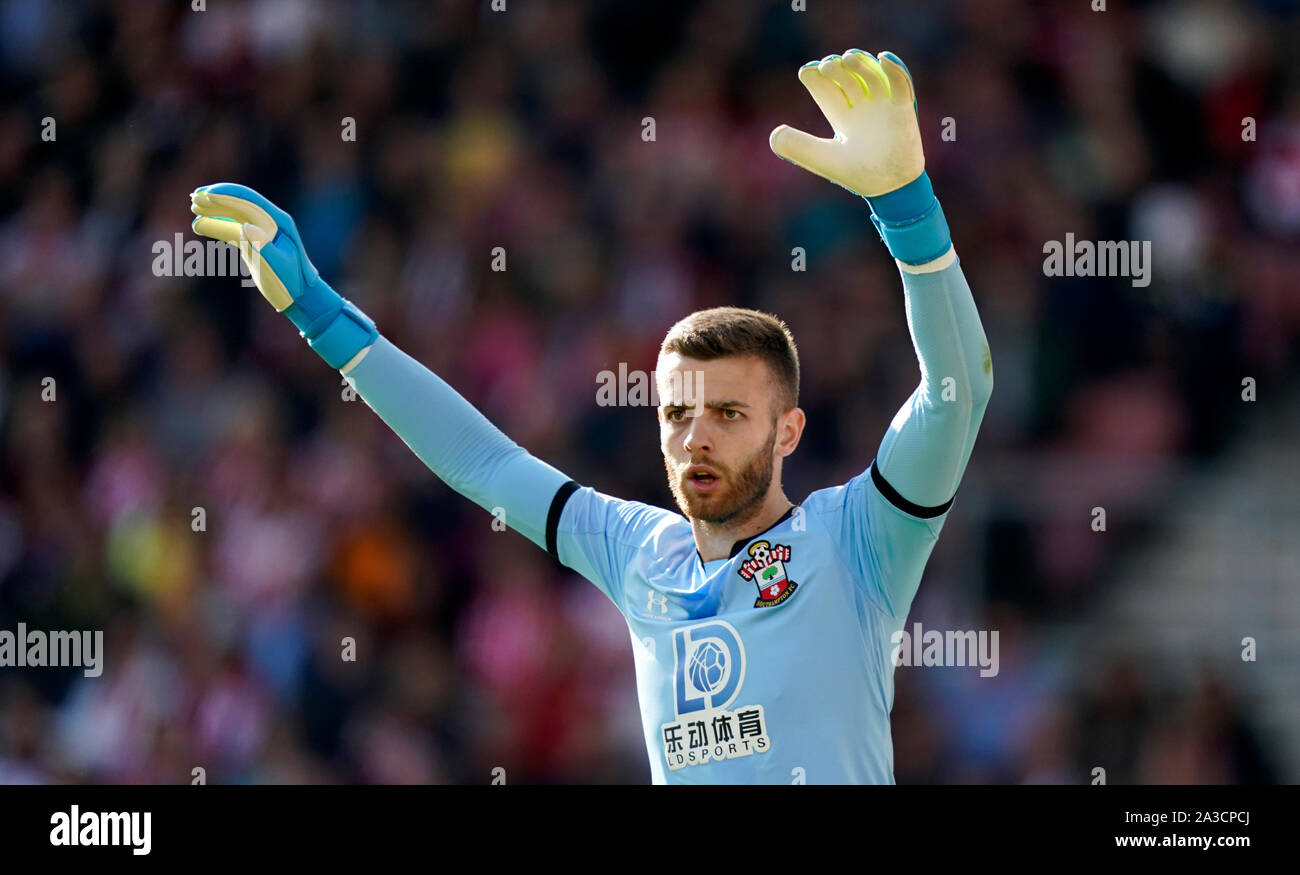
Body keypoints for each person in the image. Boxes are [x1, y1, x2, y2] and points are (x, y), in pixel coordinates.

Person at [190, 49, 992, 784]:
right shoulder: (640, 553)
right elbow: (484, 461)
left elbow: (960, 389)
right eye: (676, 411)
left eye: (729, 412)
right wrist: (324, 320)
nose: (695, 434)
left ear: (787, 431)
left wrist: (907, 211)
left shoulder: (858, 539)